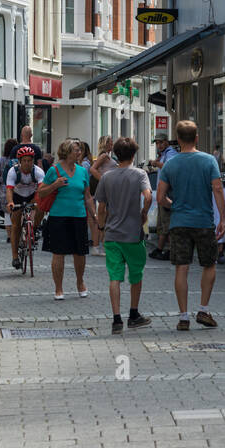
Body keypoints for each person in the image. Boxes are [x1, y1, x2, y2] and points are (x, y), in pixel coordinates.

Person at [156, 121, 225, 330]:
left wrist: (173, 205)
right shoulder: (208, 161)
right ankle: (203, 309)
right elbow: (218, 189)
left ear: (177, 140)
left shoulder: (170, 164)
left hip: (179, 222)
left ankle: (184, 316)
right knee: (209, 264)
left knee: (181, 268)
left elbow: (160, 197)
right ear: (196, 138)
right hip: (204, 220)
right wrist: (223, 218)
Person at [95, 136, 152, 334]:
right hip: (133, 234)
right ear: (134, 154)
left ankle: (116, 319)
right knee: (136, 274)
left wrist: (101, 227)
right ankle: (134, 314)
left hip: (112, 234)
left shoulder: (107, 177)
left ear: (116, 154)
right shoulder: (140, 174)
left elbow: (101, 207)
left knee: (114, 277)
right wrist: (144, 213)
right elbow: (148, 196)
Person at [36, 139, 97, 300]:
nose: (79, 153)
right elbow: (41, 193)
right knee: (58, 253)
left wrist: (94, 214)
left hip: (79, 215)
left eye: (80, 150)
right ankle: (58, 288)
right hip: (58, 216)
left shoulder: (82, 171)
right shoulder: (54, 170)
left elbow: (88, 196)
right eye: (76, 150)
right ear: (67, 151)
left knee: (80, 253)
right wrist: (54, 185)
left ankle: (80, 282)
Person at [6, 145, 45, 270]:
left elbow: (41, 190)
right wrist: (10, 202)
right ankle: (15, 257)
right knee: (16, 225)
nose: (27, 163)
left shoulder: (38, 172)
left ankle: (35, 228)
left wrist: (36, 202)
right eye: (24, 161)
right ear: (20, 161)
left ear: (33, 161)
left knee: (41, 208)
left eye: (30, 160)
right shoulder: (13, 171)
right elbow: (9, 190)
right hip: (17, 196)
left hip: (33, 195)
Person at [148, 130, 178, 260]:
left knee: (167, 223)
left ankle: (170, 251)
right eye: (157, 143)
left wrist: (156, 163)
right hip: (163, 192)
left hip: (168, 193)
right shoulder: (163, 154)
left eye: (161, 142)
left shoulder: (171, 153)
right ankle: (161, 249)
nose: (159, 145)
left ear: (166, 142)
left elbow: (168, 167)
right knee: (162, 223)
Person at [0, 137, 19, 241]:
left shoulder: (1, 160)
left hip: (4, 189)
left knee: (8, 213)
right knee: (17, 212)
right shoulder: (18, 160)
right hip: (17, 188)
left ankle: (9, 236)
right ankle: (17, 234)